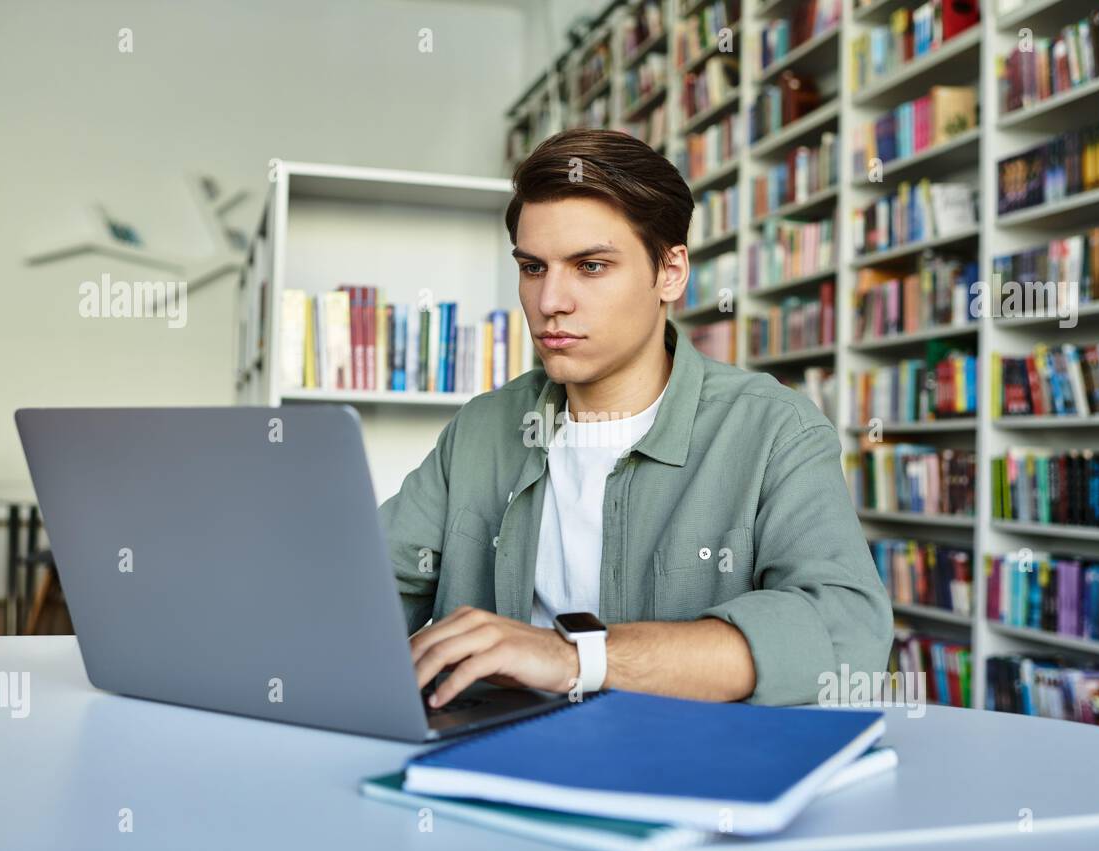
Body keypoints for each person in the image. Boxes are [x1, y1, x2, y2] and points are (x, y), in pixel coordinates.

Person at [378, 128, 892, 709]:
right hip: (489, 762)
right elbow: (363, 598)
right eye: (532, 268)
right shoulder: (480, 430)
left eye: (591, 266)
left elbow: (847, 633)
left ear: (669, 272)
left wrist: (576, 657)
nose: (550, 302)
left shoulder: (774, 430)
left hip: (681, 777)